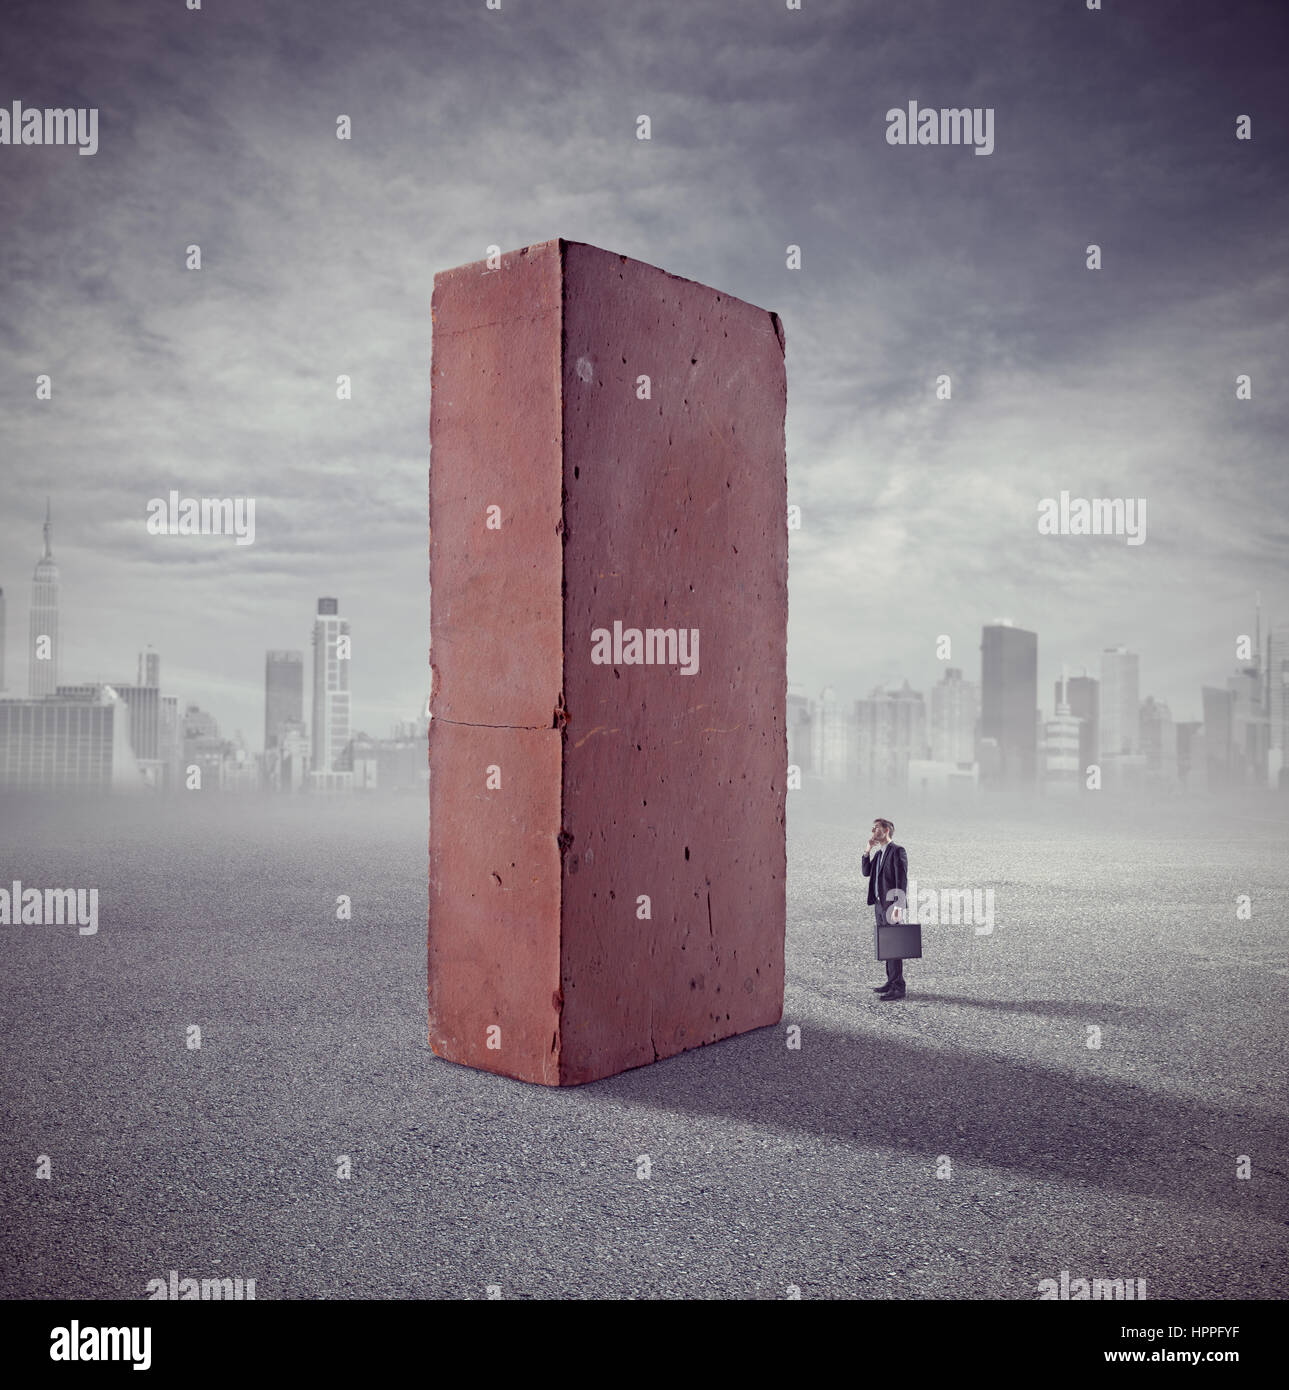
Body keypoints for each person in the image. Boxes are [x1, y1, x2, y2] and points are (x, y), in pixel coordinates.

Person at [862, 817, 908, 1000]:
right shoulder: (880, 854)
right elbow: (866, 872)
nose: (873, 831)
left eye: (876, 828)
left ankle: (898, 987)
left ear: (886, 830)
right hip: (879, 905)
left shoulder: (897, 851)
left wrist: (898, 905)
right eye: (872, 828)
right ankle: (891, 981)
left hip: (891, 906)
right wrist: (868, 850)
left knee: (895, 945)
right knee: (887, 945)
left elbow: (902, 879)